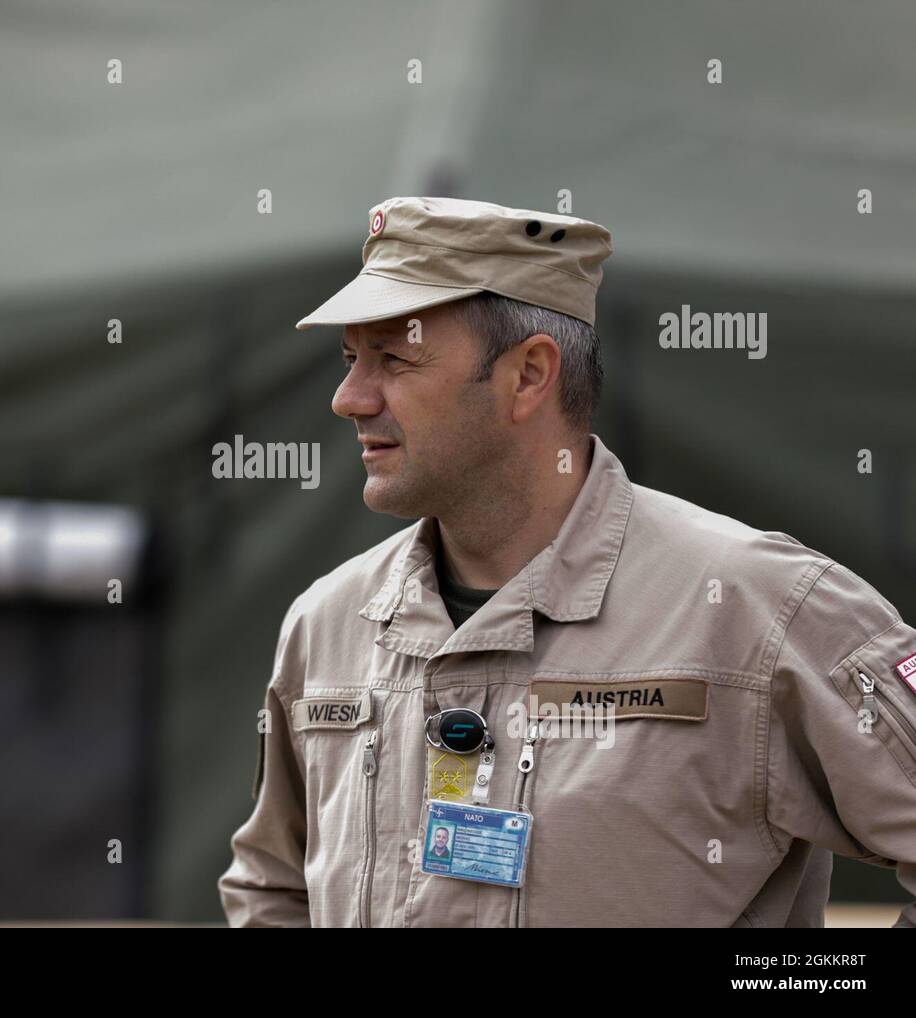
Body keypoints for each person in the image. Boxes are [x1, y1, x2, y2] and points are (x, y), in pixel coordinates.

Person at [217, 196, 916, 927]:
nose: (349, 398)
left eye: (394, 357)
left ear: (528, 376)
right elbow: (273, 889)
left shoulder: (758, 608)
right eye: (351, 358)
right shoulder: (331, 622)